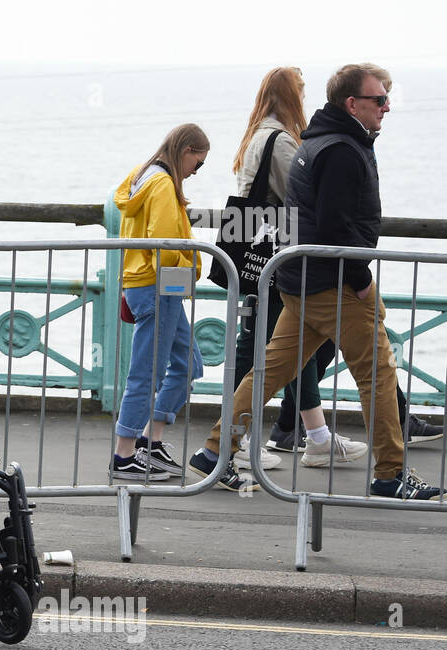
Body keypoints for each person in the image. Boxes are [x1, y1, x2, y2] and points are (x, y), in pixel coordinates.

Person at [189, 64, 443, 500]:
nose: (386, 106)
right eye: (379, 100)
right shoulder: (342, 150)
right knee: (378, 374)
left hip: (299, 276)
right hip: (335, 283)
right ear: (353, 104)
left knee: (270, 369)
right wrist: (361, 277)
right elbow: (334, 226)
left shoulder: (315, 141)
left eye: (387, 98)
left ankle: (215, 450)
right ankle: (390, 475)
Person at [228, 67, 367, 471]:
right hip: (276, 255)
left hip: (257, 251)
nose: (306, 98)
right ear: (292, 95)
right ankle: (240, 443)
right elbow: (304, 193)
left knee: (273, 345)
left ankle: (303, 435)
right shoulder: (281, 140)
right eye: (302, 91)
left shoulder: (257, 133)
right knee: (267, 348)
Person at [108, 124, 214, 485]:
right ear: (186, 150)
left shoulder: (141, 177)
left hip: (144, 282)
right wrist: (194, 266)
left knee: (187, 365)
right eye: (197, 164)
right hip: (158, 285)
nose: (195, 172)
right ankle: (124, 454)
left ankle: (148, 442)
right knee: (147, 372)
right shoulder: (164, 184)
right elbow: (167, 245)